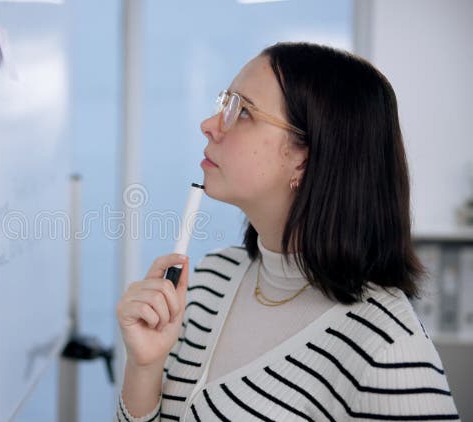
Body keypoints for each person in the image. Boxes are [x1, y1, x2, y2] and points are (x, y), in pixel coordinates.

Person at [115, 42, 459, 421]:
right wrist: (144, 367)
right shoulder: (212, 278)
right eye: (224, 102)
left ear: (305, 159)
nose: (209, 124)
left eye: (242, 111)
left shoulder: (387, 347)